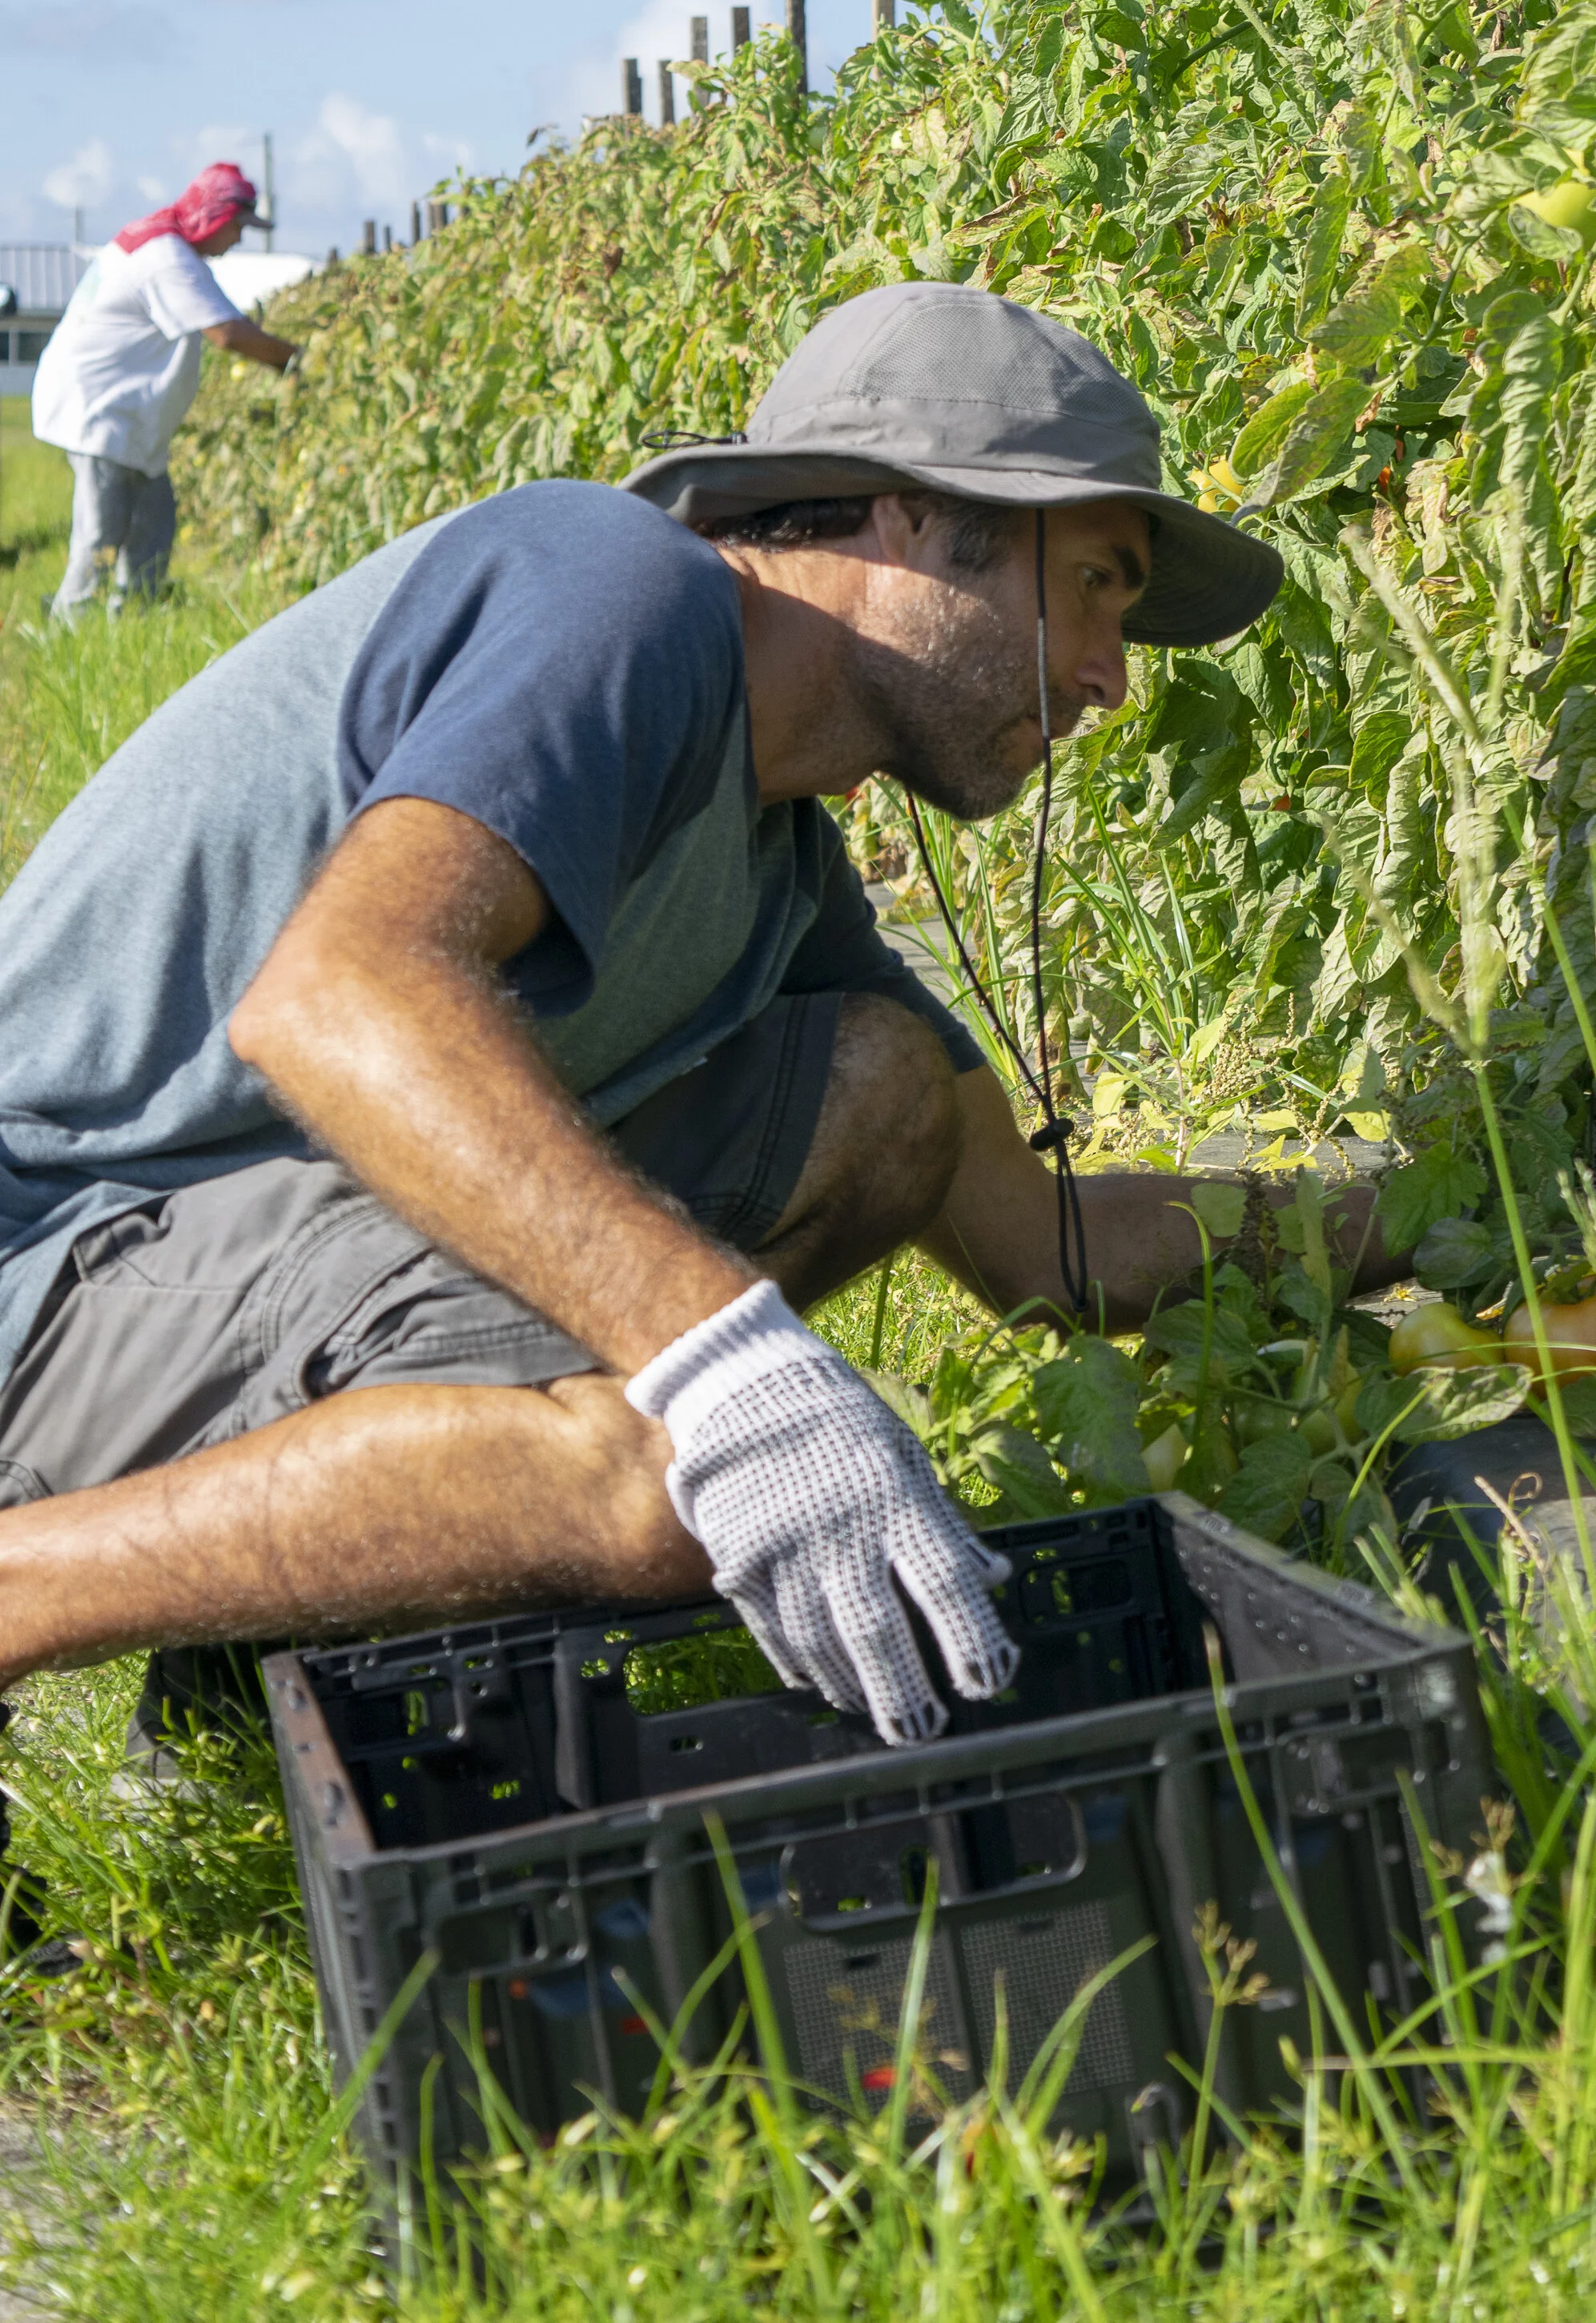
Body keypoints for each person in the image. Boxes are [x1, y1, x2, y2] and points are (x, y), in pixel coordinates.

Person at [0, 282, 1400, 1754]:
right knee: (685, 1472)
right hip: (53, 1253)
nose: (1113, 673)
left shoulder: (779, 867)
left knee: (889, 1090)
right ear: (911, 519)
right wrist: (730, 1367)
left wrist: (1426, 1219)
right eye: (1096, 584)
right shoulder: (624, 588)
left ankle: (262, 1659)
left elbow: (1044, 1245)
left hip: (227, 1245)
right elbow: (341, 994)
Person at [30, 160, 298, 614]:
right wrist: (298, 360)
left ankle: (135, 615)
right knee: (101, 533)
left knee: (153, 519)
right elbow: (228, 334)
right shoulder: (166, 257)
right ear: (212, 217)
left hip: (124, 416)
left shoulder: (159, 242)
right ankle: (71, 623)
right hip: (102, 413)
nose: (237, 238)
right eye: (237, 226)